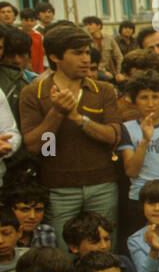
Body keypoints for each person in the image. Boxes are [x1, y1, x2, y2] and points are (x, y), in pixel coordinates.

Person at [18, 24, 123, 248]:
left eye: (87, 52)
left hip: (102, 185)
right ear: (55, 57)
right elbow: (38, 146)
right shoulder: (34, 93)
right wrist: (56, 113)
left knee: (104, 252)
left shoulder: (103, 90)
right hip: (58, 190)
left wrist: (78, 119)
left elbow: (114, 136)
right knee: (64, 255)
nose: (86, 59)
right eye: (77, 53)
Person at [117, 73, 159, 232]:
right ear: (134, 102)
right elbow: (131, 170)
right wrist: (145, 139)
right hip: (141, 198)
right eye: (144, 97)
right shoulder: (127, 128)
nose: (150, 103)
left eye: (156, 97)